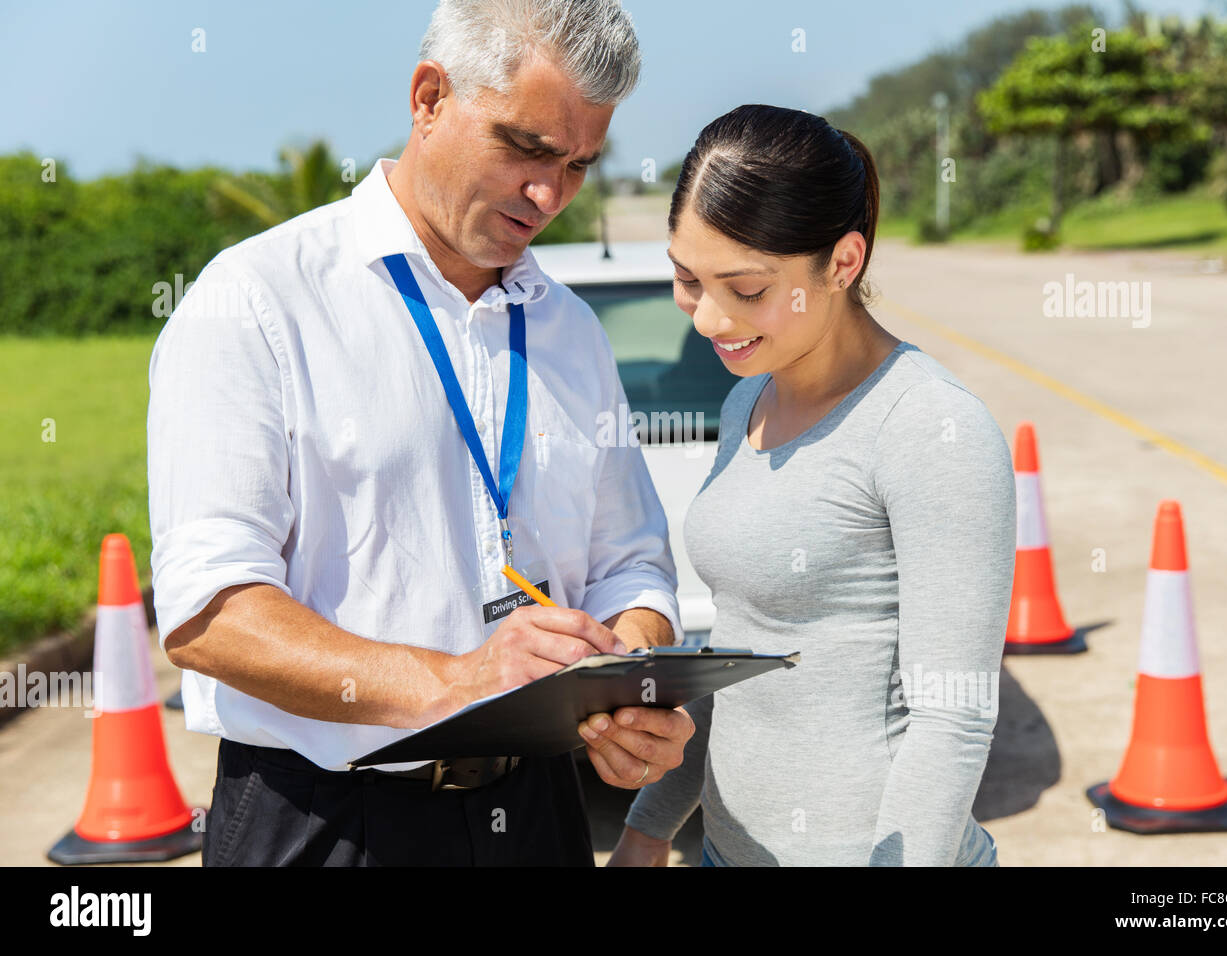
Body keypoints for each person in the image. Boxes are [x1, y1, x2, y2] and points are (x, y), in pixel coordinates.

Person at [146, 0, 693, 867]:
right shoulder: (255, 302)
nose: (549, 194)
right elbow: (209, 612)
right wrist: (458, 682)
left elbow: (633, 565)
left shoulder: (571, 330)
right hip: (325, 820)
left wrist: (628, 679)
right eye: (527, 148)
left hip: (538, 811)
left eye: (578, 165)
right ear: (430, 97)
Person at [608, 105, 1016, 867]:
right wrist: (648, 826)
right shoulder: (747, 401)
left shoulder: (929, 426)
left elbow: (953, 721)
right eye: (687, 279)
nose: (707, 319)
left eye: (746, 288)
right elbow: (737, 653)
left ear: (843, 262)